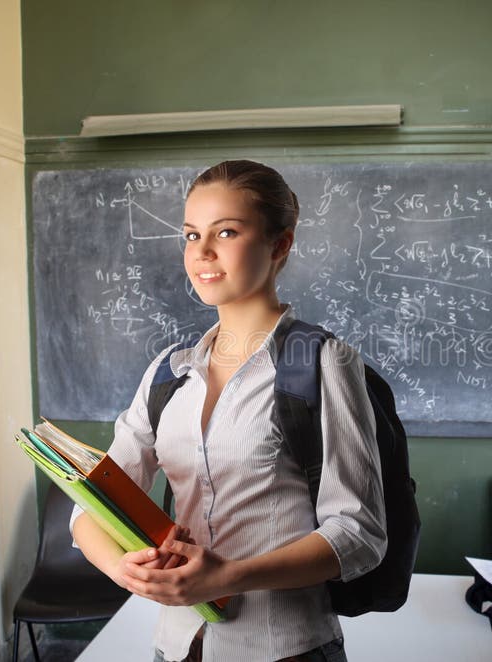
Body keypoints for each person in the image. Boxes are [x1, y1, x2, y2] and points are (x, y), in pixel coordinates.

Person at [71, 160, 387, 662]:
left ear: (279, 245)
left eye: (227, 231)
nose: (202, 253)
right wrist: (122, 569)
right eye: (192, 234)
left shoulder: (324, 362)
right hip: (176, 647)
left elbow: (359, 534)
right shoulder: (168, 373)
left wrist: (230, 576)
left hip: (285, 648)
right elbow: (93, 501)